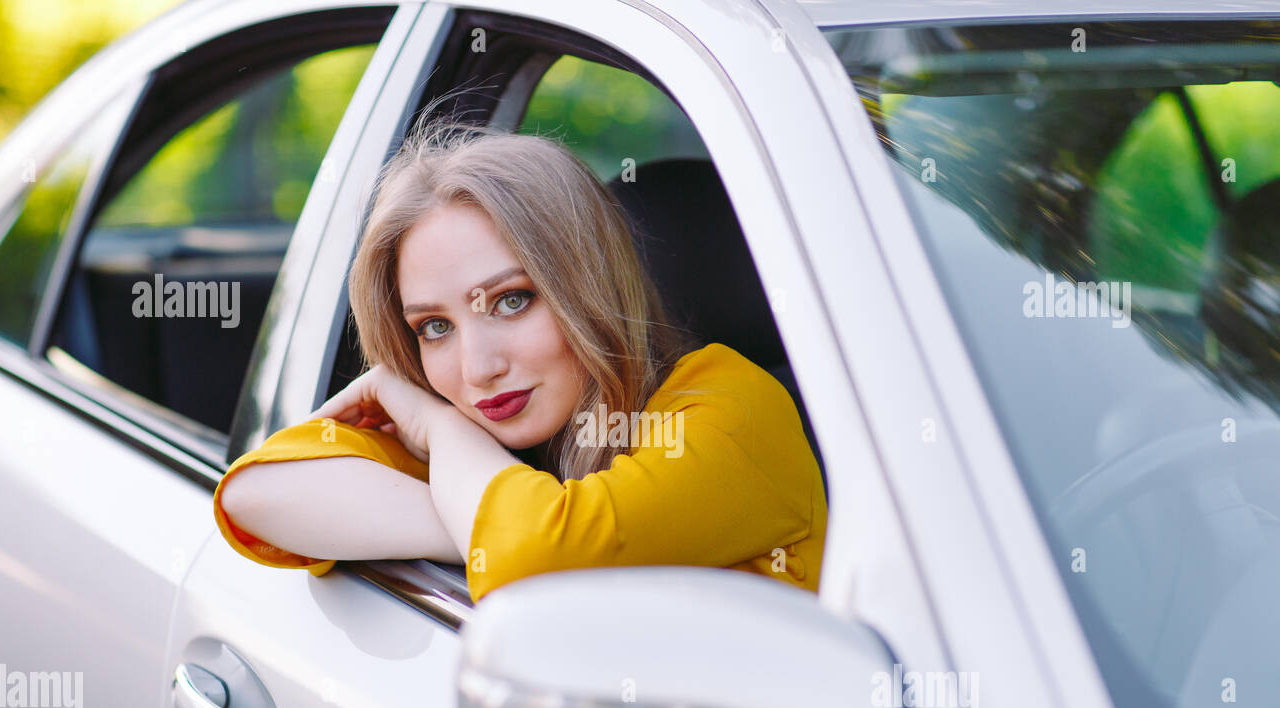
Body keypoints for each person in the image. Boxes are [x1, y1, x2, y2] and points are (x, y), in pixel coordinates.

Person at [213, 108, 827, 603]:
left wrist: (446, 442)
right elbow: (255, 494)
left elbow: (533, 557)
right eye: (433, 327)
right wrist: (488, 507)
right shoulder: (479, 429)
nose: (478, 368)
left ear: (590, 285)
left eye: (511, 301)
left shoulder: (737, 413)